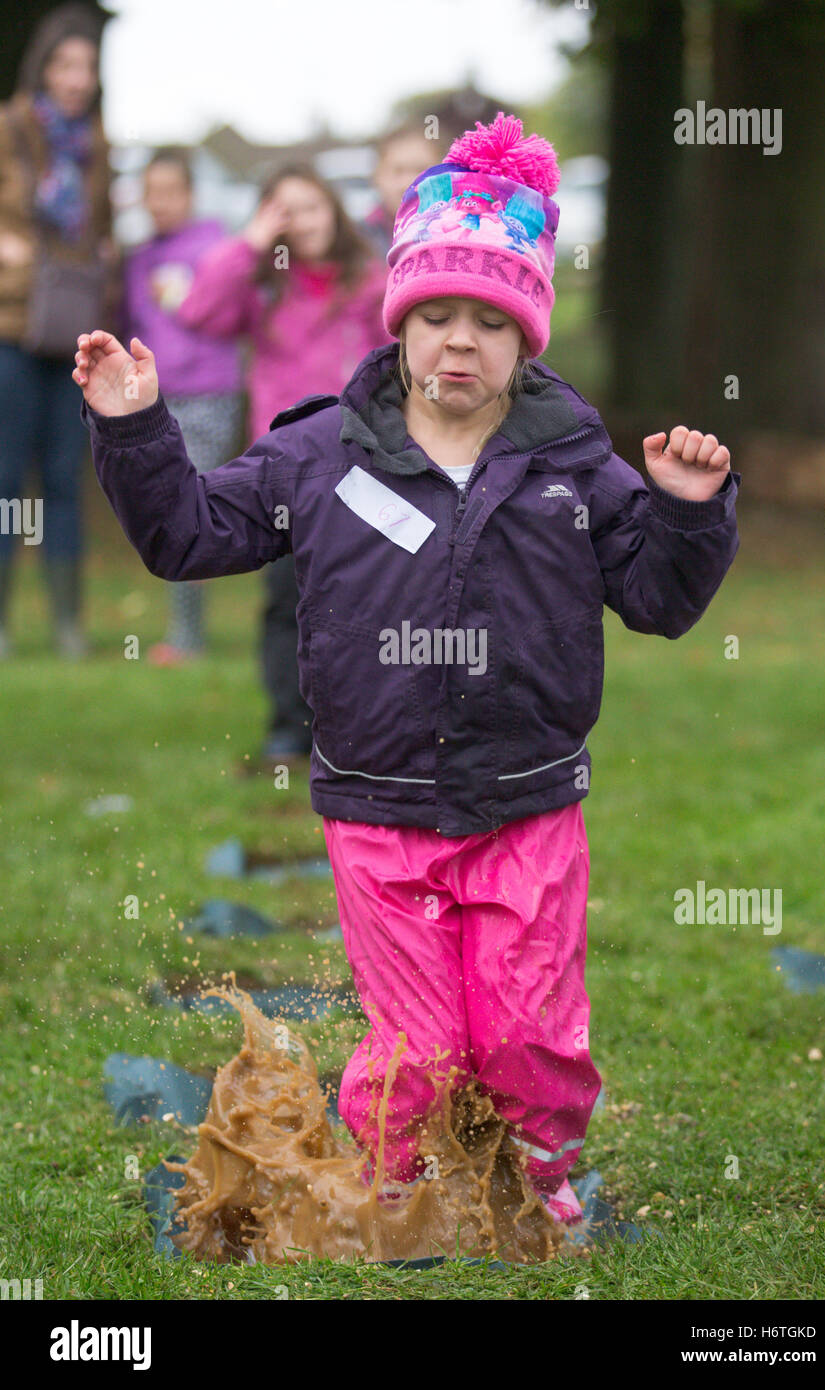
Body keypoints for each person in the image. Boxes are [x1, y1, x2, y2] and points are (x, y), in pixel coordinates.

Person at [73, 113, 741, 1239]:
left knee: (528, 1034)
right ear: (400, 320)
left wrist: (684, 511)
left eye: (490, 320)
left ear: (526, 337)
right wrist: (138, 432)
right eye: (436, 315)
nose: (460, 342)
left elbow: (661, 602)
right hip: (376, 811)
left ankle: (535, 1176)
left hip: (526, 801)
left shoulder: (570, 460)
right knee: (419, 1049)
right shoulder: (321, 450)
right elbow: (188, 536)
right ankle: (392, 1187)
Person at [174, 164, 387, 759]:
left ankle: (361, 728)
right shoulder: (263, 284)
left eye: (313, 206)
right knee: (286, 599)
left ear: (335, 211)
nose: (304, 221)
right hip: (288, 469)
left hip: (364, 463)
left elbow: (401, 354)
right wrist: (248, 243)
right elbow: (199, 312)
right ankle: (288, 728)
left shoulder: (370, 278)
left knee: (367, 598)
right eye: (286, 210)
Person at [0, 3, 116, 659]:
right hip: (12, 326)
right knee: (6, 477)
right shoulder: (9, 129)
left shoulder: (96, 144)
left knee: (68, 477)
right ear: (43, 66)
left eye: (88, 68)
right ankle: (4, 625)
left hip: (73, 331)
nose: (77, 78)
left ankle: (70, 626)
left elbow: (99, 233)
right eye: (67, 64)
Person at [121, 147, 244, 664]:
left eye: (171, 191)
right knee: (166, 511)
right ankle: (185, 634)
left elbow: (233, 315)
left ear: (191, 195)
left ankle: (188, 639)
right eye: (152, 192)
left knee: (187, 511)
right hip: (156, 400)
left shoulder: (217, 248)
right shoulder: (139, 258)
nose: (161, 202)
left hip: (209, 395)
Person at [362, 124, 441, 258]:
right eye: (398, 171)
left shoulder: (463, 232)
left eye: (420, 170)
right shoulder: (357, 241)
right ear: (377, 177)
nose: (409, 182)